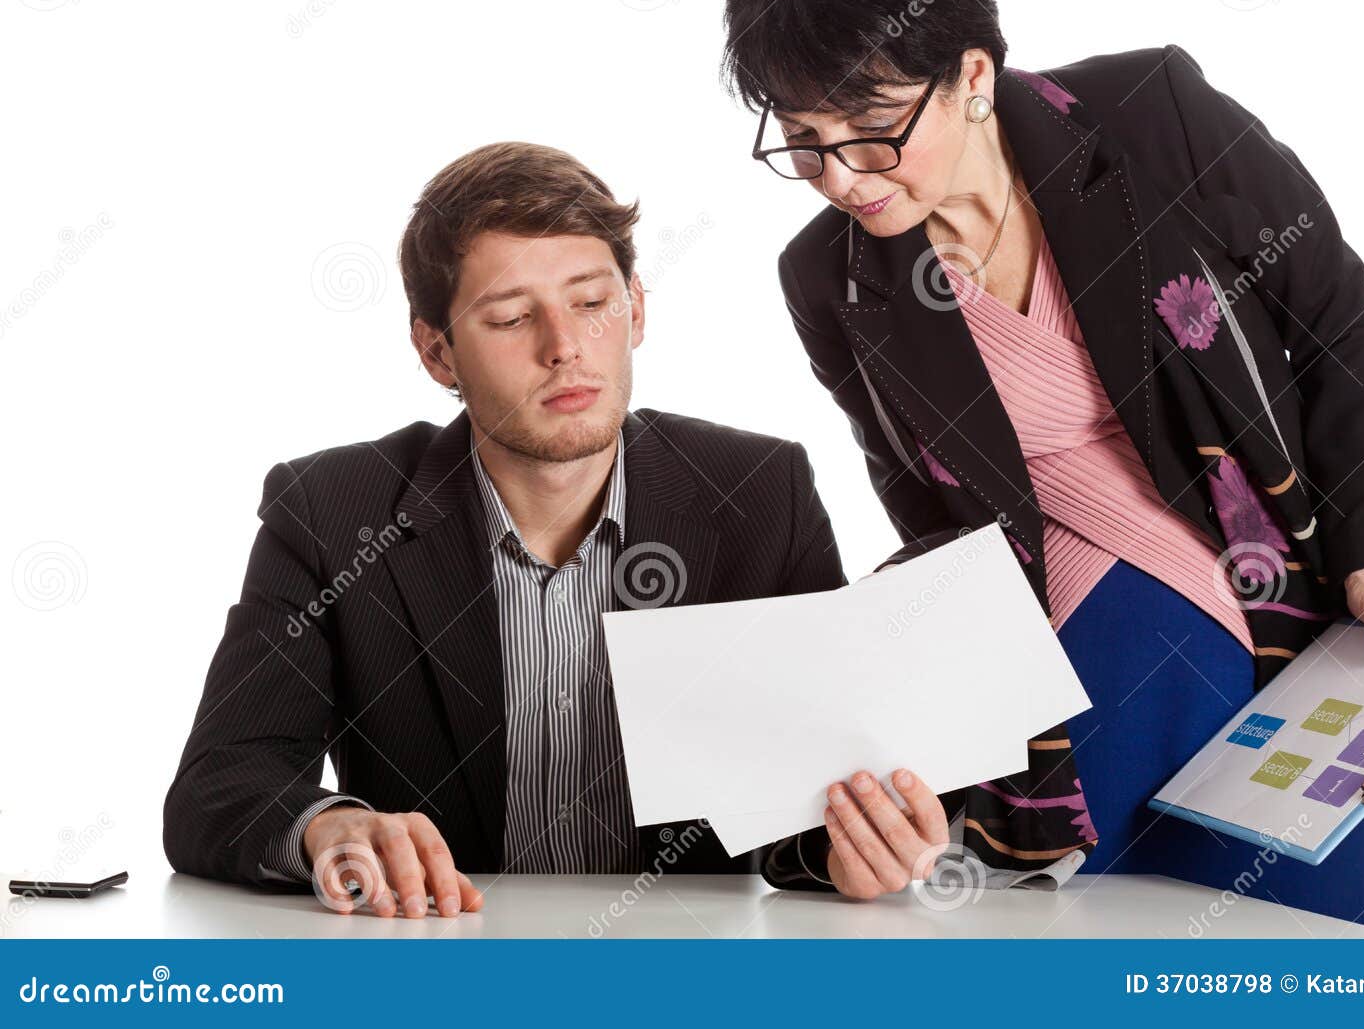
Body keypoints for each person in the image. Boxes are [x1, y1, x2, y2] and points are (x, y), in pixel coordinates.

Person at [720, 0, 1364, 926]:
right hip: (1060, 651)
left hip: (1281, 602)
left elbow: (1337, 319)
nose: (840, 177)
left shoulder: (1153, 113)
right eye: (801, 139)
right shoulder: (825, 277)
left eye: (872, 130)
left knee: (1302, 953)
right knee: (1102, 953)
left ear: (972, 74)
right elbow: (929, 511)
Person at [162, 142, 952, 916]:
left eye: (592, 302)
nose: (564, 348)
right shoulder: (333, 512)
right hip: (448, 962)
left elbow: (808, 793)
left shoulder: (760, 494)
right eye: (511, 317)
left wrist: (852, 848)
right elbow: (218, 784)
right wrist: (329, 828)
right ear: (437, 351)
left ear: (636, 307)